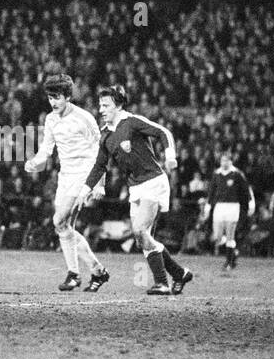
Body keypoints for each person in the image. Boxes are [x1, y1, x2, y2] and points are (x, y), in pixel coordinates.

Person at [79, 84, 191, 296]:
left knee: (140, 231)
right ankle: (179, 273)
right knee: (142, 238)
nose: (101, 109)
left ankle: (162, 283)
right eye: (100, 105)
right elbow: (99, 166)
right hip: (135, 187)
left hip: (154, 181)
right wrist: (85, 190)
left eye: (106, 105)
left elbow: (163, 131)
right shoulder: (105, 135)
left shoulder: (131, 122)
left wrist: (170, 155)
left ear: (118, 105)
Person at [23, 72, 110, 292]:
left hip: (84, 176)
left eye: (57, 98)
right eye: (50, 98)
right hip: (65, 176)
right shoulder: (51, 119)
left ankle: (79, 273)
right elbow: (47, 150)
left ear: (68, 97)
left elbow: (101, 152)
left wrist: (99, 184)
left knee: (59, 219)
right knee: (62, 225)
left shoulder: (85, 118)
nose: (53, 103)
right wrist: (35, 162)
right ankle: (93, 272)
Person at [207, 151, 255, 270]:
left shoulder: (237, 174)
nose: (224, 163)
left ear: (231, 161)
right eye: (222, 160)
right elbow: (211, 192)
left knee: (230, 235)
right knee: (217, 237)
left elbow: (246, 189)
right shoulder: (216, 174)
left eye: (227, 160)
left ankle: (229, 262)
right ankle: (234, 253)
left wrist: (251, 203)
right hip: (219, 207)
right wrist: (208, 206)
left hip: (232, 207)